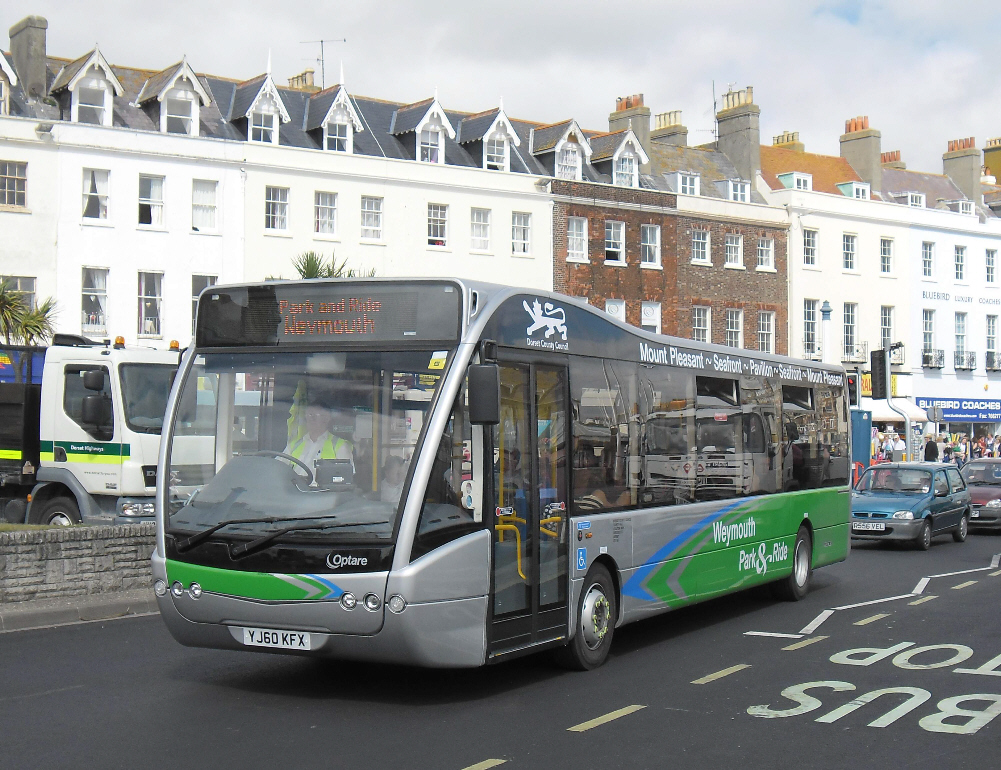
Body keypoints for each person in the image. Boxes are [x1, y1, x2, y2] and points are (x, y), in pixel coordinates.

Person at [283, 397, 353, 477]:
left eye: (316, 415)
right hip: (294, 488)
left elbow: (346, 477)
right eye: (309, 415)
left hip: (323, 489)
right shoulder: (293, 445)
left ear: (327, 418)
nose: (311, 419)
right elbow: (276, 468)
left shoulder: (340, 445)